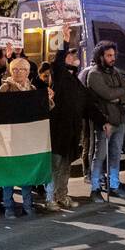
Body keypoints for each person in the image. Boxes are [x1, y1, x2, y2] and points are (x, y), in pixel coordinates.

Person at [0, 57, 48, 216]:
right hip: (10, 137)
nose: (18, 72)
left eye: (22, 69)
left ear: (28, 72)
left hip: (27, 139)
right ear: (10, 71)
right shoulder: (5, 88)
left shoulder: (33, 89)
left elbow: (44, 109)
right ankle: (8, 207)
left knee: (27, 173)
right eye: (15, 69)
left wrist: (49, 99)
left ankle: (28, 204)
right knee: (9, 174)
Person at [86, 40, 125, 202]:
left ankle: (114, 185)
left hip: (119, 120)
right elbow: (106, 94)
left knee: (115, 155)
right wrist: (119, 94)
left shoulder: (116, 72)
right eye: (109, 55)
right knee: (99, 156)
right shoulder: (94, 74)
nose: (112, 58)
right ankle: (95, 189)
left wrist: (117, 97)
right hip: (105, 121)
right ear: (101, 56)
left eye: (113, 55)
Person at [47, 47, 88, 209]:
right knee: (54, 166)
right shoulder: (59, 76)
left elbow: (88, 103)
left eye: (74, 55)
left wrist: (103, 119)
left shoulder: (76, 82)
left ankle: (62, 195)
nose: (73, 58)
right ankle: (50, 198)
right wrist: (64, 42)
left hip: (71, 132)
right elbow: (57, 63)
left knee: (65, 167)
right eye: (70, 55)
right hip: (58, 131)